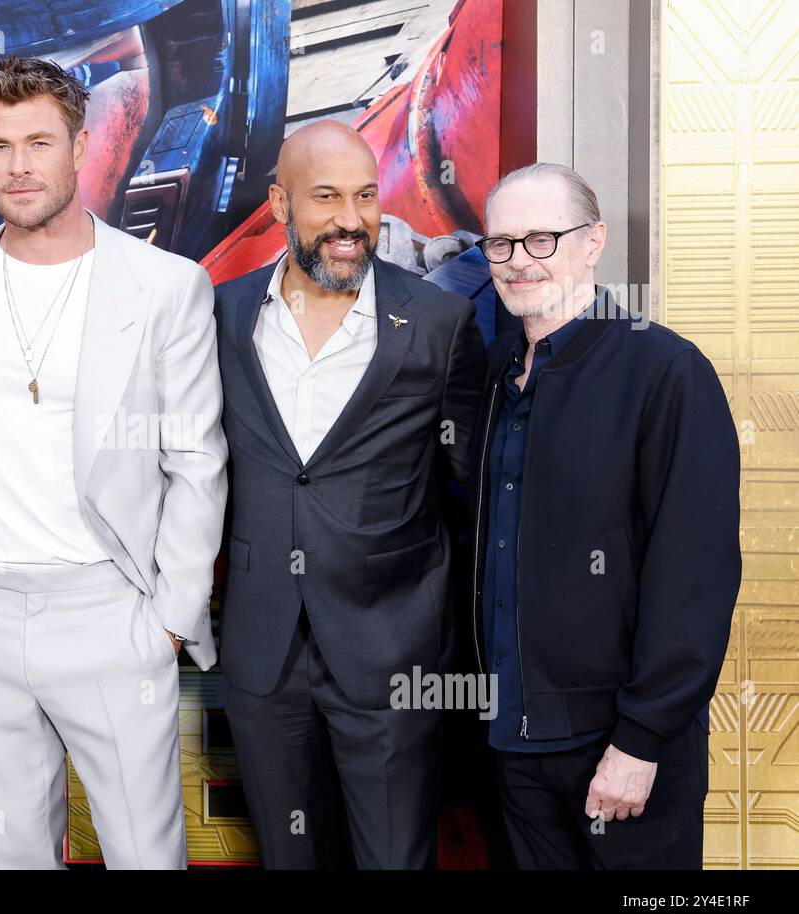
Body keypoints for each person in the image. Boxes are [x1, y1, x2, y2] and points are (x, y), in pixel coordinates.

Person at [0, 56, 227, 869]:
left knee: (144, 856)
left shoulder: (165, 286)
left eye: (40, 142)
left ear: (81, 144)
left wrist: (167, 619)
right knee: (15, 855)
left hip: (111, 613)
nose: (19, 166)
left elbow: (196, 458)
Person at [212, 119, 486, 868]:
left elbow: (469, 489)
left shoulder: (439, 322)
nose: (350, 219)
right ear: (278, 203)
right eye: (326, 196)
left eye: (366, 196)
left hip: (393, 649)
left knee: (396, 858)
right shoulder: (223, 315)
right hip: (264, 648)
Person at [471, 162, 740, 868]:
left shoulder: (664, 369)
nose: (519, 260)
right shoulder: (496, 373)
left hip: (621, 754)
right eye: (501, 243)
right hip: (512, 748)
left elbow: (696, 576)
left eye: (541, 239)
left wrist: (642, 739)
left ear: (593, 242)